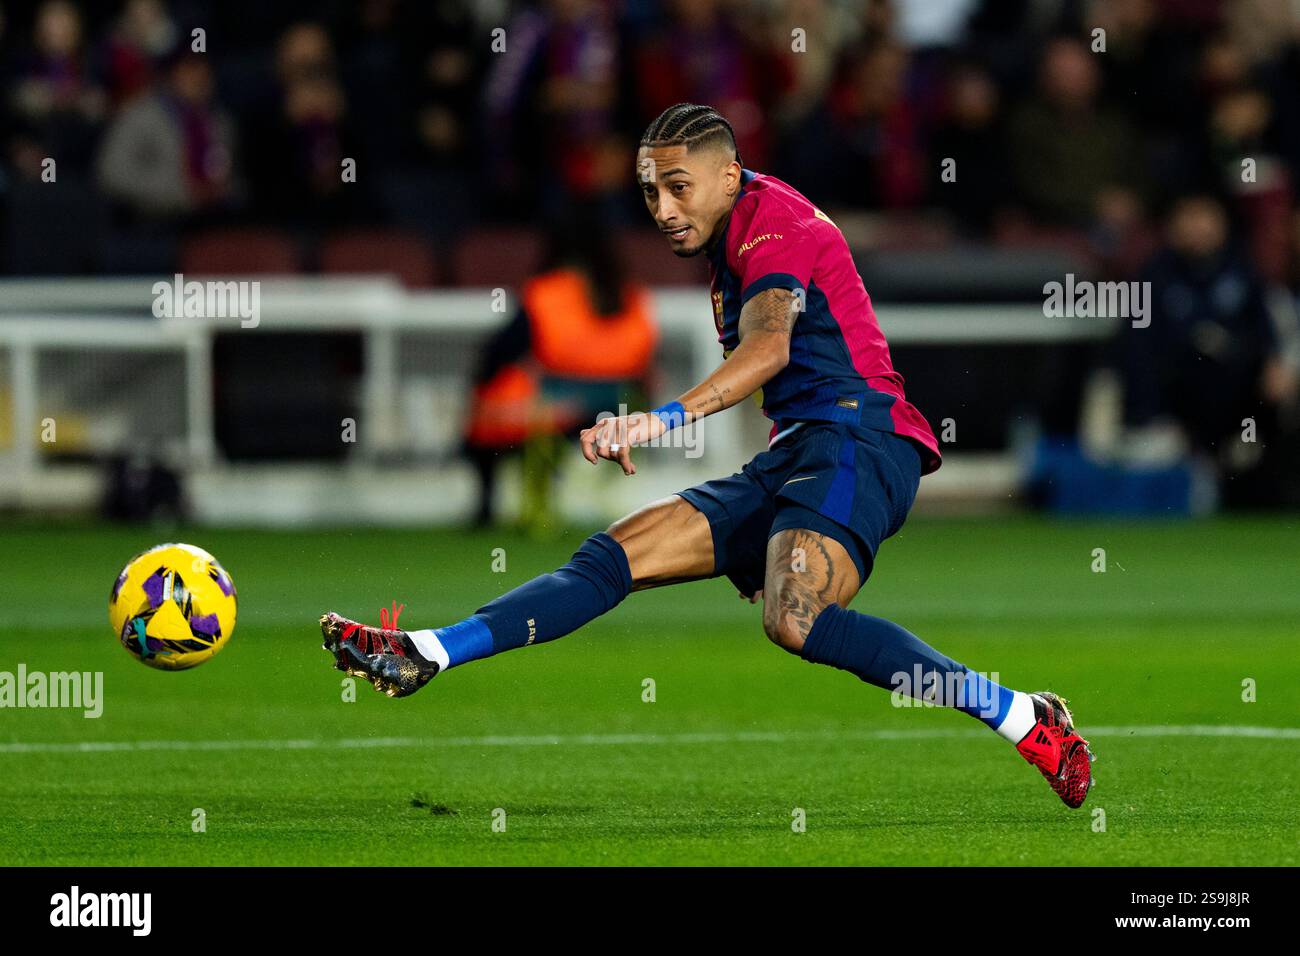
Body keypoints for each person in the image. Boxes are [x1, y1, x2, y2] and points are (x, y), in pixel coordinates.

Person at [318, 103, 1095, 809]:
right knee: (613, 555)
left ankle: (1024, 715)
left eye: (679, 188)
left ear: (729, 175)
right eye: (652, 192)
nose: (663, 210)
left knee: (793, 617)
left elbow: (768, 348)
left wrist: (653, 422)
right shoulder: (732, 234)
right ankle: (425, 651)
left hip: (861, 437)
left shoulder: (768, 224)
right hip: (800, 451)